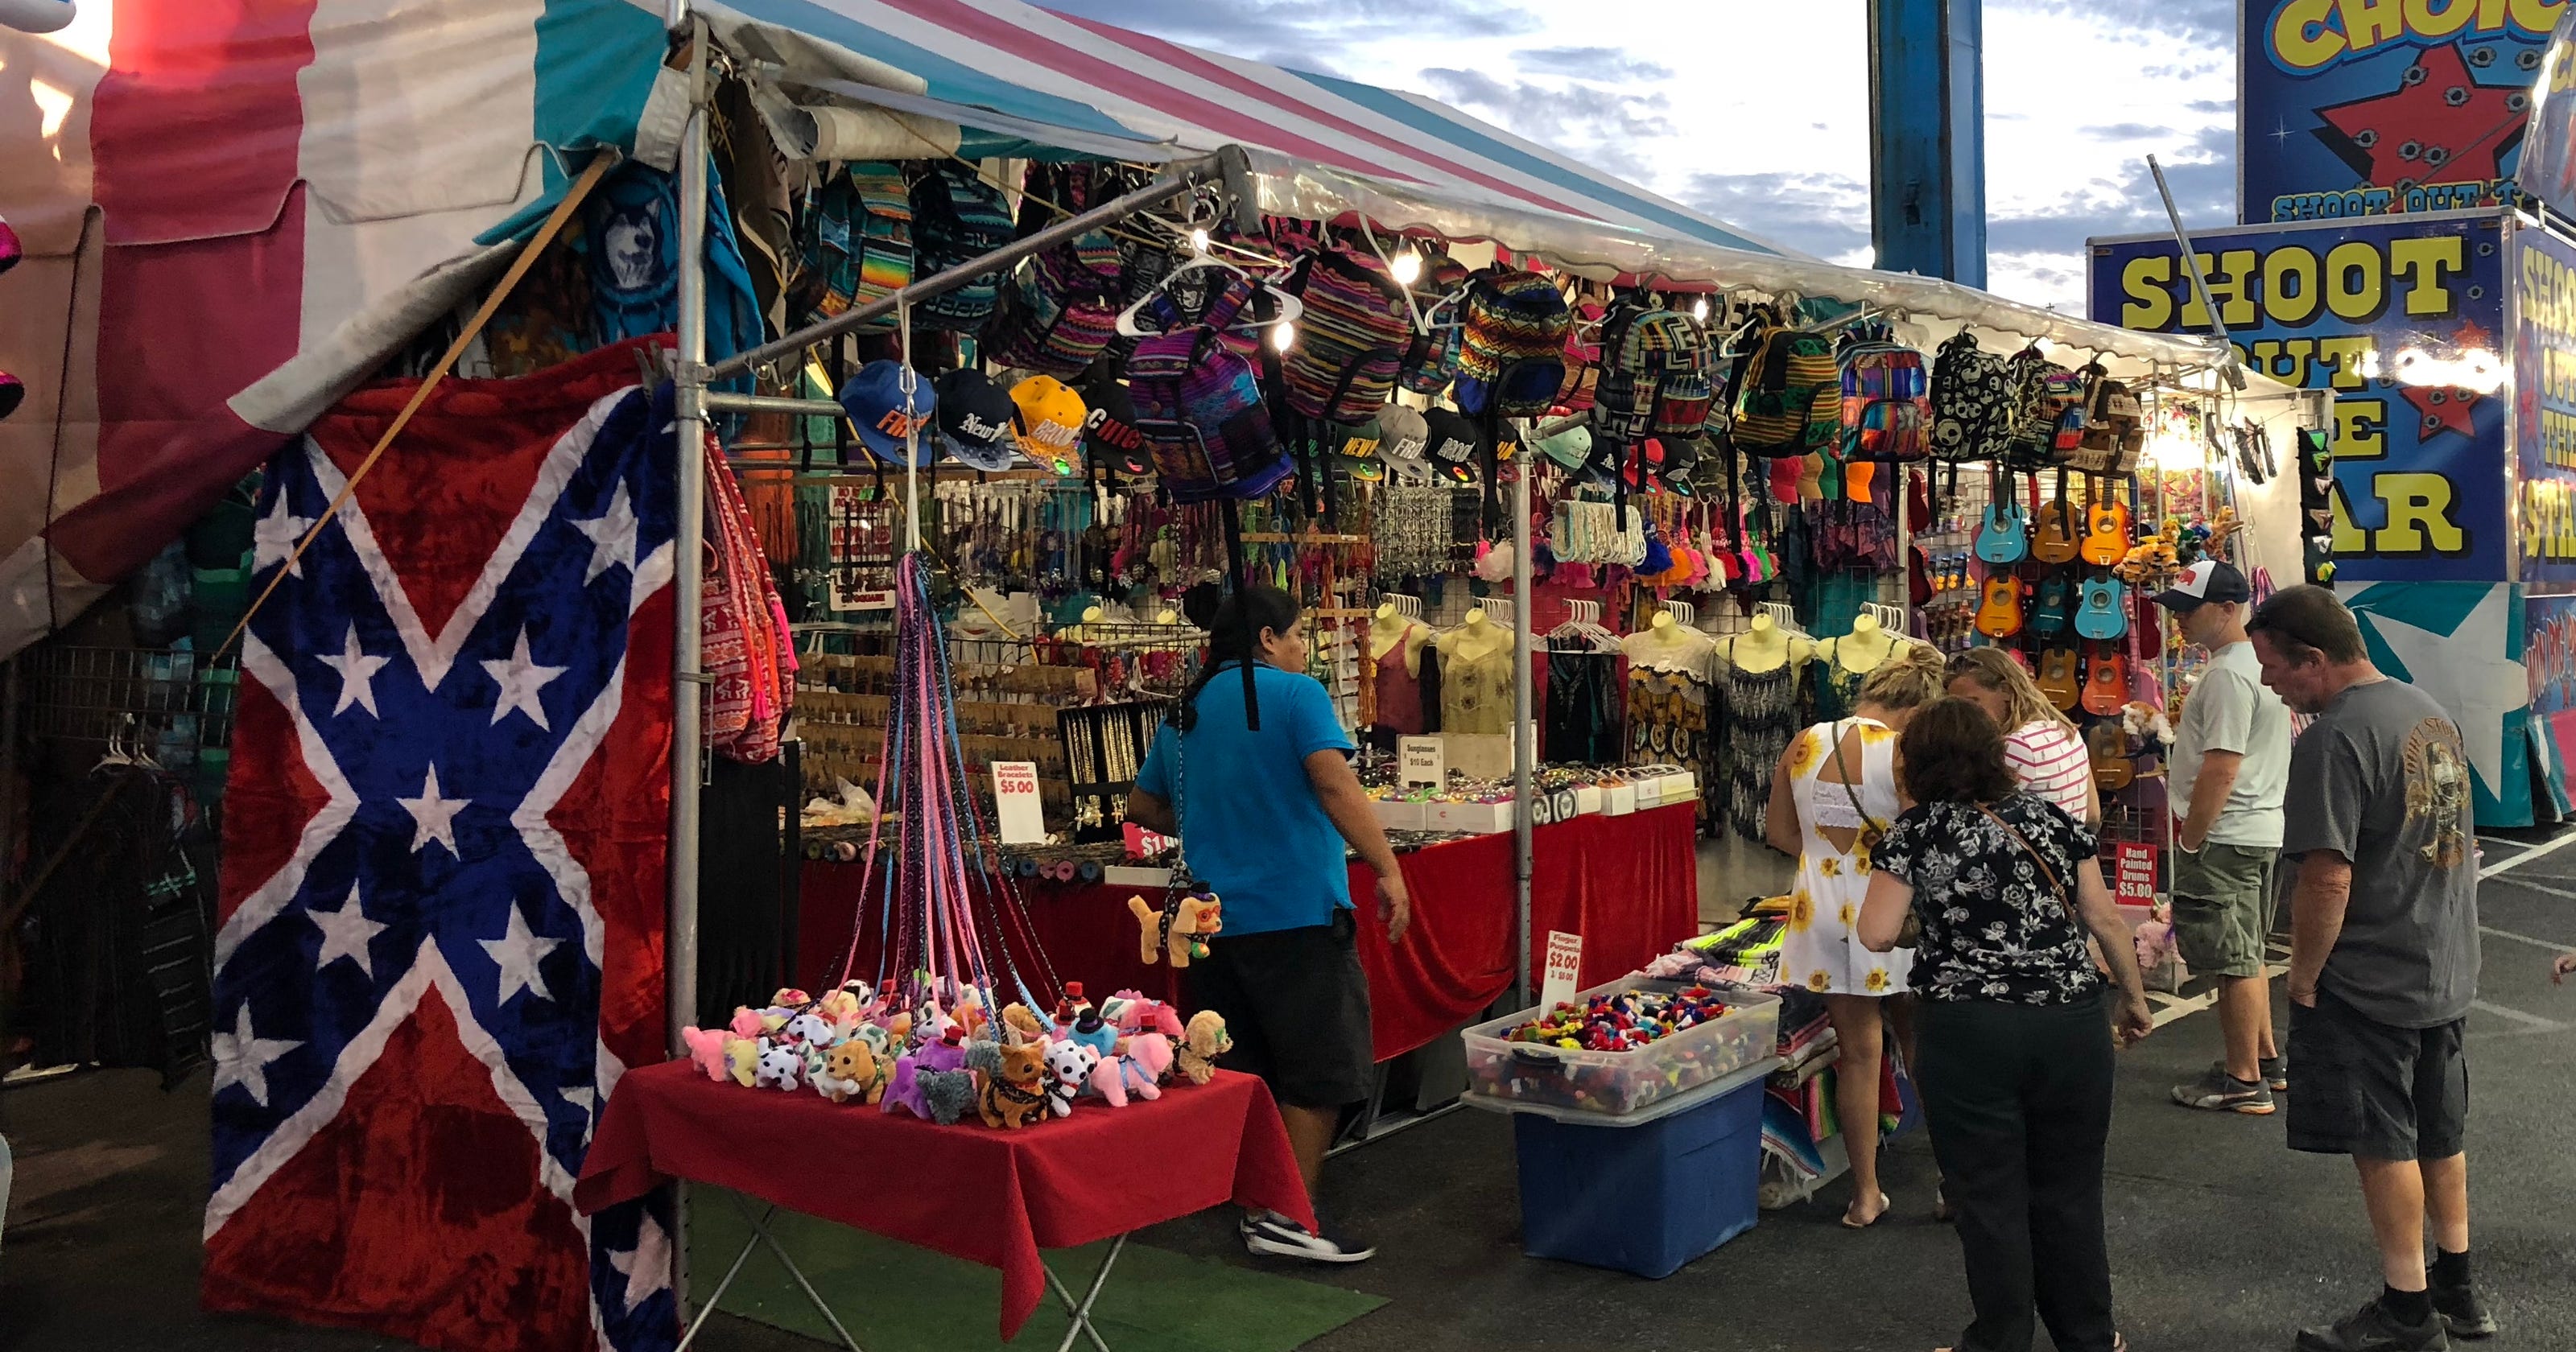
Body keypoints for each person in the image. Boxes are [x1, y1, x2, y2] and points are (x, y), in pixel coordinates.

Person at [1127, 584, 1411, 1265]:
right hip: (1297, 915)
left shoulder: (1187, 712)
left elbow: (1144, 806)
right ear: (1266, 639)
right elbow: (1336, 785)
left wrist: (1217, 817)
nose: (1303, 647)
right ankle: (1288, 1214)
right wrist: (1388, 868)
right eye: (1299, 634)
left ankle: (1259, 1206)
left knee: (1243, 1067)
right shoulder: (1294, 695)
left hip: (1214, 922)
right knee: (1320, 1068)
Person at [1858, 699, 2153, 1352]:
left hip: (1968, 1028)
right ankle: (2090, 1336)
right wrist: (2132, 998)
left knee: (1988, 1195)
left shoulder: (1916, 833)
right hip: (2070, 1021)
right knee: (2071, 1190)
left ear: (1918, 763)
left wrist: (1934, 922)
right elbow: (2104, 920)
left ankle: (2000, 1340)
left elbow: (1876, 933)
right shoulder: (2051, 820)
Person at [2248, 586, 2491, 1350]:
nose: (2267, 684)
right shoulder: (2426, 708)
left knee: (2383, 1142)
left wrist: (2301, 976)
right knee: (2439, 1132)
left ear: (2313, 662)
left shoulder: (2332, 739)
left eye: (2273, 667)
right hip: (2441, 961)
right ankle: (2458, 1288)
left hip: (2372, 974)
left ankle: (2407, 1312)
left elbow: (2327, 877)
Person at [1762, 643, 1946, 1229]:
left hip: (1819, 909)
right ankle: (1954, 1182)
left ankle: (1865, 1194)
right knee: (1923, 1046)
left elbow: (1778, 831)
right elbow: (1922, 840)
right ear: (1919, 709)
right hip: (1892, 910)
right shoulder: (1904, 754)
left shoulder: (1805, 741)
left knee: (1857, 1053)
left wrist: (1826, 863)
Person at [2153, 559, 2294, 1115]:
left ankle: (2242, 1080)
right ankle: (2261, 1061)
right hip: (2255, 829)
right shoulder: (2247, 667)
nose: (2180, 619)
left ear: (2230, 609)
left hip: (2227, 834)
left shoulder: (2230, 675)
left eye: (2190, 609)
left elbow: (2222, 766)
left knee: (2232, 960)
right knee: (2247, 952)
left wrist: (2191, 838)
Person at [1945, 647, 2102, 826]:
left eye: (1973, 702)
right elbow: (2093, 815)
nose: (1962, 715)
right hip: (2065, 848)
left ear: (2006, 690)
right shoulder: (2064, 729)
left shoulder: (2016, 745)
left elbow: (1977, 826)